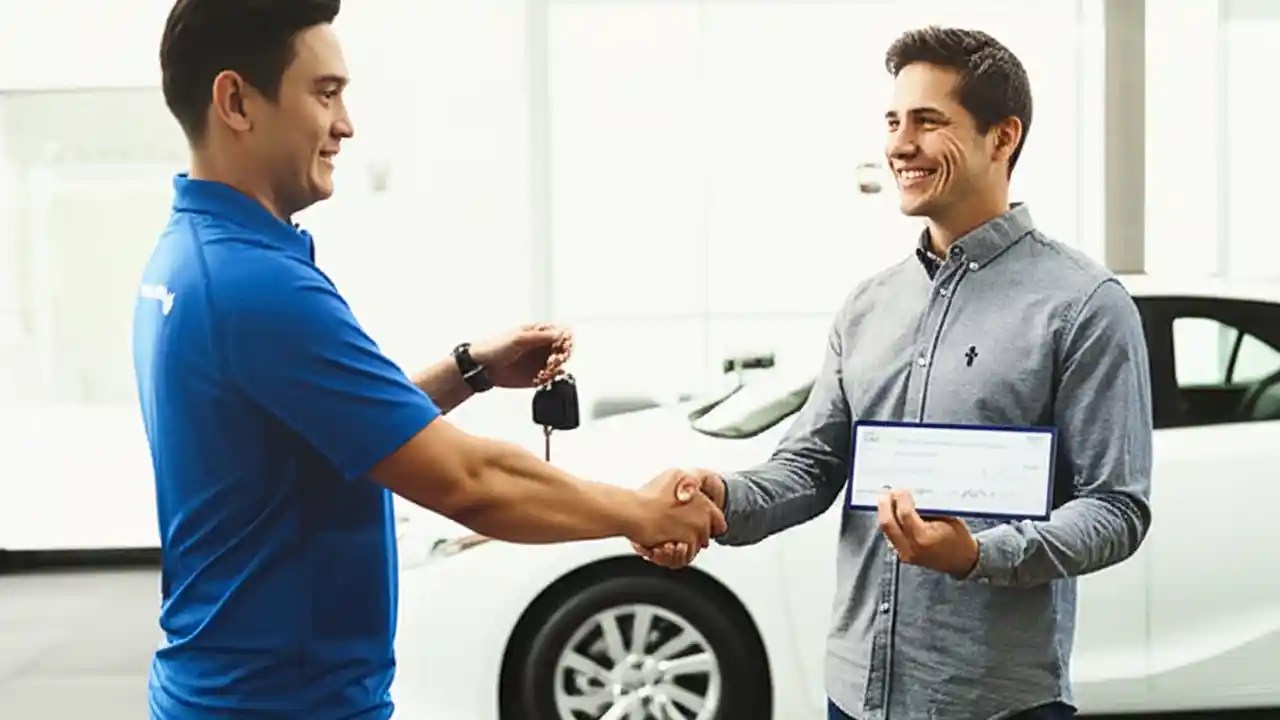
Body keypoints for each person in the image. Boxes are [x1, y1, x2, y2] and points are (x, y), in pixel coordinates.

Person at [133, 1, 725, 718]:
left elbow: (330, 430)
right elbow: (468, 481)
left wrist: (468, 370)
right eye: (325, 92)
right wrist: (640, 512)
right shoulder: (252, 284)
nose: (345, 124)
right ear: (236, 101)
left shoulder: (194, 257)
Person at [635, 26, 1153, 720]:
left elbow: (1116, 509)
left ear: (1003, 138)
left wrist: (977, 553)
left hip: (996, 702)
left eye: (927, 121)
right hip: (855, 693)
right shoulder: (868, 305)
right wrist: (718, 495)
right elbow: (812, 467)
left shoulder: (1084, 305)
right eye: (893, 121)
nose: (899, 145)